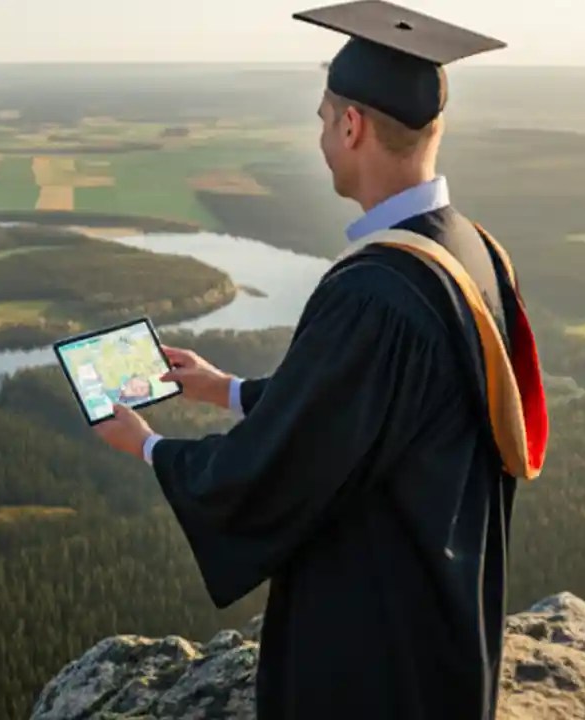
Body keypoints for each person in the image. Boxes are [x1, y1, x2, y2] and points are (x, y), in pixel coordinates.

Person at [93, 2, 549, 718]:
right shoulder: (473, 251)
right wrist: (230, 391)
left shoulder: (380, 290)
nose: (320, 136)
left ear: (351, 125)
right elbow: (357, 408)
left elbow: (277, 468)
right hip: (440, 600)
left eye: (322, 118)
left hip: (376, 635)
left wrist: (149, 447)